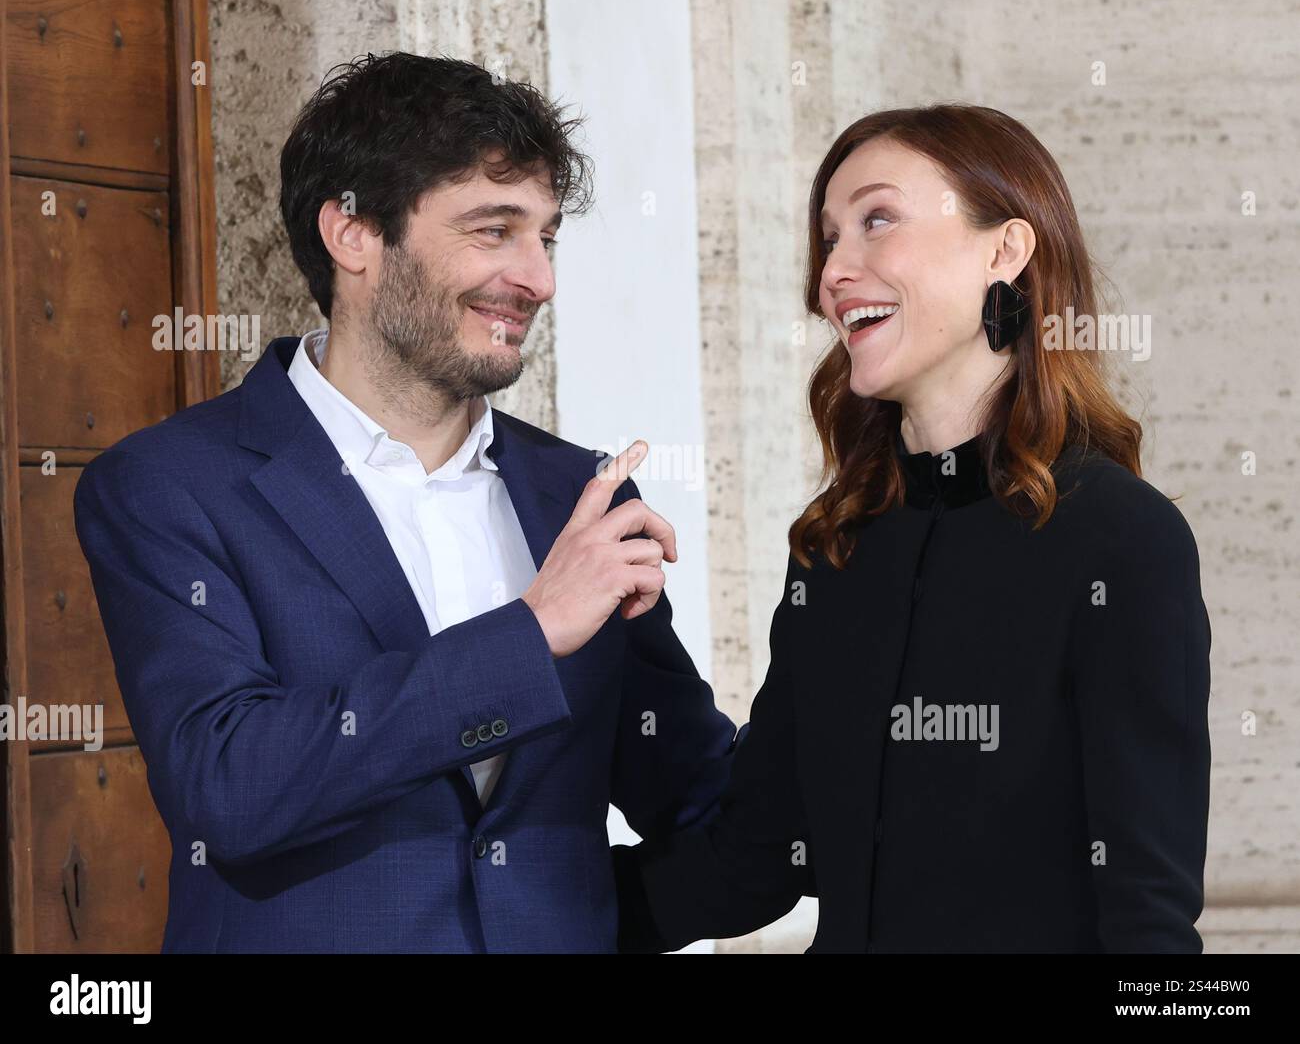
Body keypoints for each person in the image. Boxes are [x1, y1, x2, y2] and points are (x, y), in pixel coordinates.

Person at [74, 52, 737, 953]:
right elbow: (230, 788)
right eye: (494, 229)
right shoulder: (169, 485)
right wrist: (530, 632)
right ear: (353, 233)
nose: (537, 279)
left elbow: (711, 807)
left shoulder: (577, 494)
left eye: (545, 238)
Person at [615, 104, 1213, 954]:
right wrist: (492, 904)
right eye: (829, 238)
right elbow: (753, 857)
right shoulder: (833, 547)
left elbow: (1147, 921)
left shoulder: (1121, 539)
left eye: (878, 220)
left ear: (1005, 250)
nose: (833, 271)